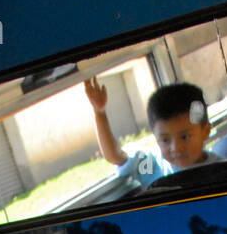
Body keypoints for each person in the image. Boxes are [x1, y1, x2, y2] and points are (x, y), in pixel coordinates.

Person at [85, 78, 213, 187]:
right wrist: (99, 112)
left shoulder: (223, 170)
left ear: (205, 131)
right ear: (156, 138)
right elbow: (115, 156)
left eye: (184, 137)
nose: (176, 148)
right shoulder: (152, 165)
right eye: (165, 140)